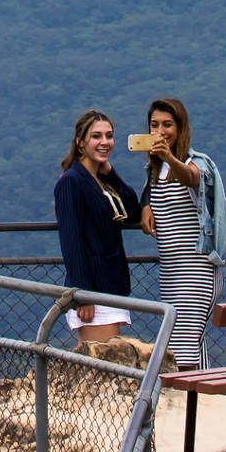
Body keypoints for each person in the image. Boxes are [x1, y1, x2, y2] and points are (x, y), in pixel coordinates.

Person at [138, 97, 226, 370]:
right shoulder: (155, 170)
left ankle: (187, 406)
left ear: (181, 128)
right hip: (170, 272)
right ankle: (202, 405)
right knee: (190, 345)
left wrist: (169, 156)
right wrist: (146, 206)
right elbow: (151, 193)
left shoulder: (197, 163)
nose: (160, 130)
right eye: (154, 124)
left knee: (181, 349)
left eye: (168, 125)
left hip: (197, 271)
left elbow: (193, 178)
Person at [54, 108, 143, 344]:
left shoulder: (101, 180)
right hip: (94, 289)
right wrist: (83, 293)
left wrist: (111, 173)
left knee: (106, 367)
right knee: (102, 370)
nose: (104, 142)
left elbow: (133, 211)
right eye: (96, 136)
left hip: (111, 284)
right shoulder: (72, 182)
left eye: (109, 136)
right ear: (80, 142)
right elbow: (71, 242)